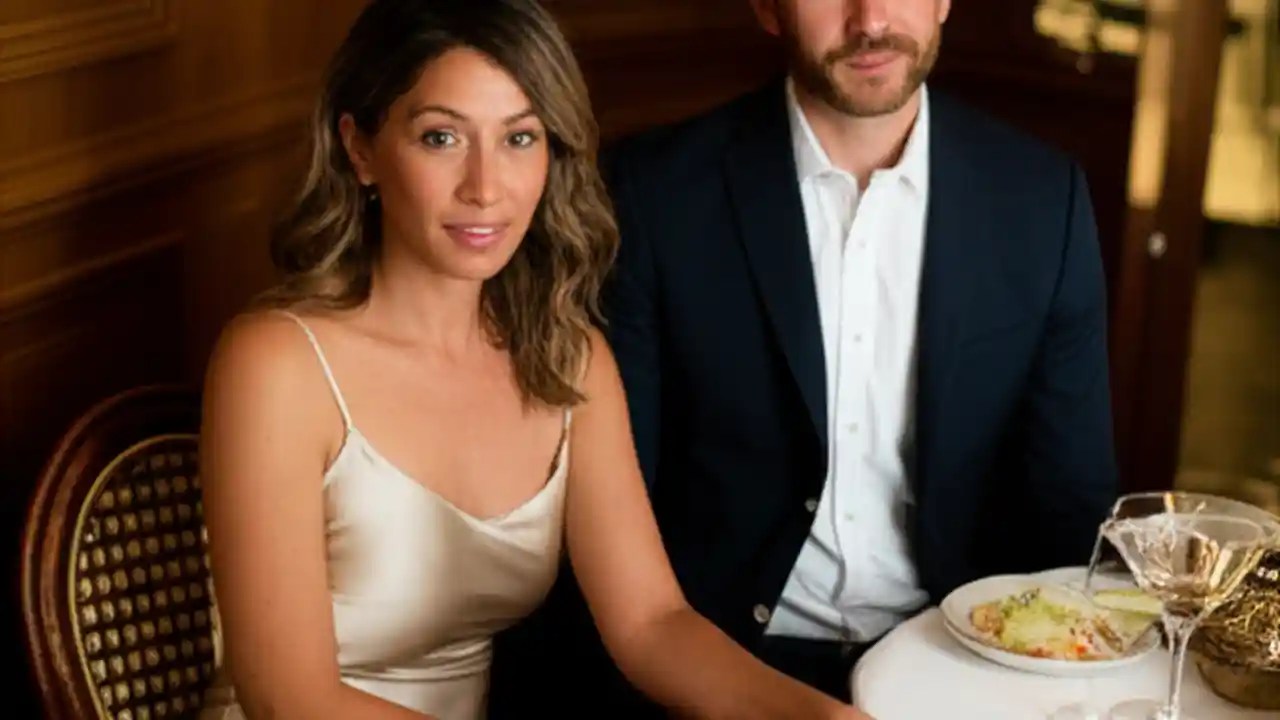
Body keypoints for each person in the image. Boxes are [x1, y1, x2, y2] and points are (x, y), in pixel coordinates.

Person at [195, 1, 871, 718]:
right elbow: (288, 698)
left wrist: (818, 715)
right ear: (360, 148)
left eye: (520, 138)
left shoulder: (567, 359)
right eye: (441, 137)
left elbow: (650, 625)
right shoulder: (275, 364)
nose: (485, 187)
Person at [490, 0, 1119, 714]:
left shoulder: (1043, 200)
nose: (871, 18)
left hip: (960, 663)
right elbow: (614, 511)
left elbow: (1070, 511)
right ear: (767, 8)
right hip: (717, 666)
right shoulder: (654, 193)